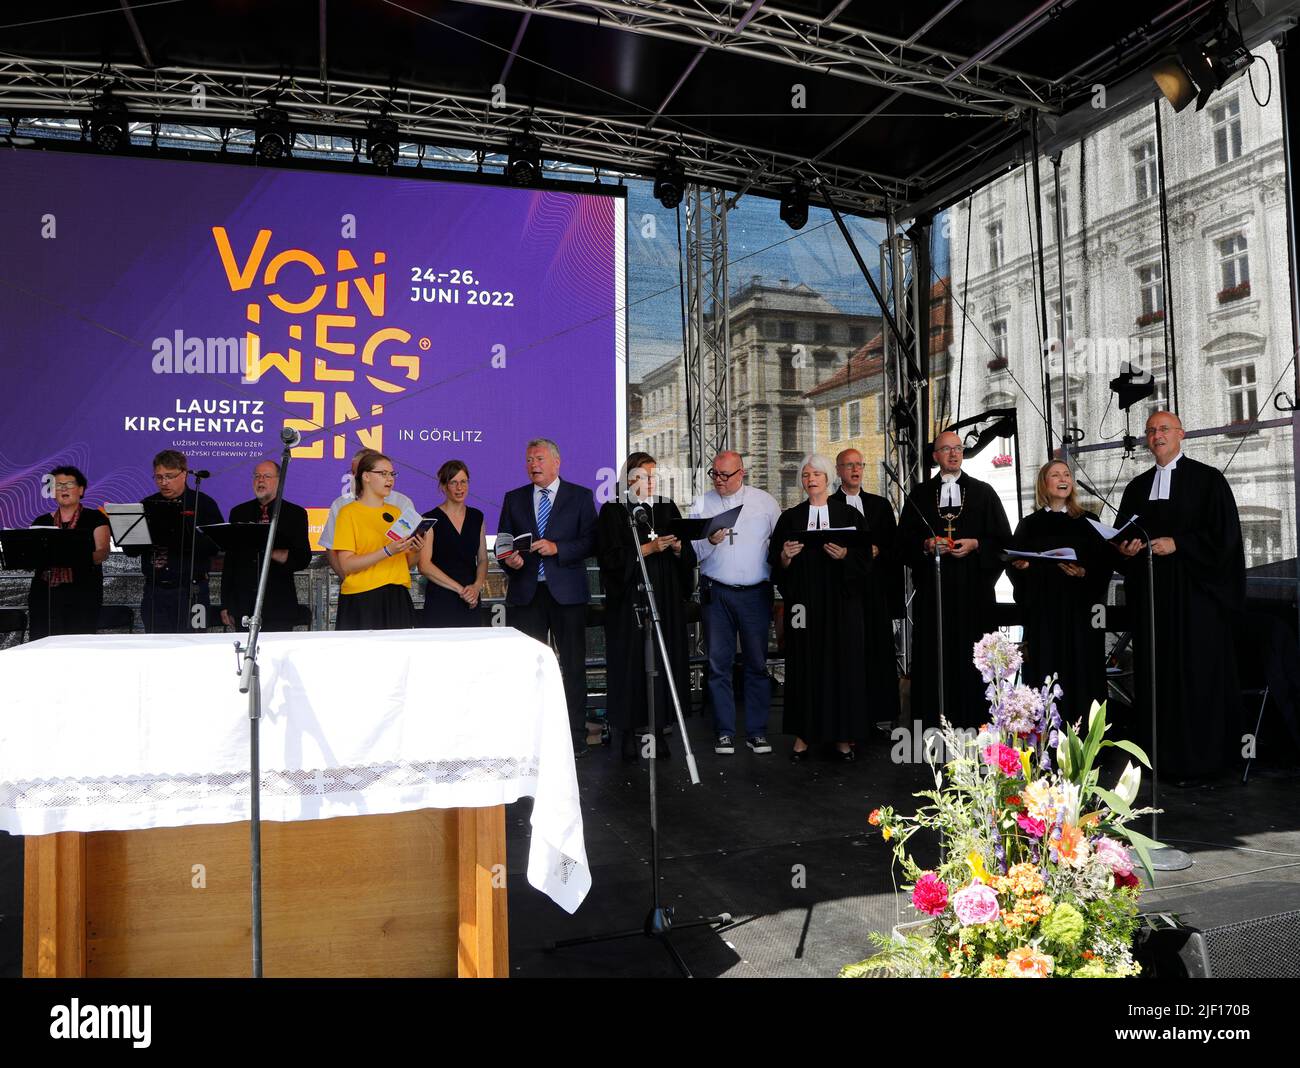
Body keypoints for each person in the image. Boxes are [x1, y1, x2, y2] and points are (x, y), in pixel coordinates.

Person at [1115, 410, 1245, 782]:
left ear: (1181, 434)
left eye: (1164, 429)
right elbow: (1123, 536)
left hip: (1196, 603)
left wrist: (1180, 544)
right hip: (1154, 603)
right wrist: (1125, 549)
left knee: (1196, 675)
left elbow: (1226, 541)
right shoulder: (1136, 487)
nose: (1157, 435)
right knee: (1157, 677)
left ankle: (1203, 762)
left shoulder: (1208, 481)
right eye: (1151, 430)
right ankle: (1158, 759)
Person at [897, 431, 1011, 727]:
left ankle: (980, 724)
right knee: (935, 657)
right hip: (934, 596)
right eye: (946, 449)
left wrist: (977, 545)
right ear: (935, 456)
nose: (953, 454)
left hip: (975, 595)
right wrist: (925, 545)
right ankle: (934, 725)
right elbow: (902, 541)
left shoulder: (984, 492)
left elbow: (1004, 543)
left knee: (975, 659)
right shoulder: (920, 495)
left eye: (958, 448)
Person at [497, 438, 598, 757]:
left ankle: (575, 738)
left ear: (557, 462)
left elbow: (592, 542)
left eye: (539, 459)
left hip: (567, 595)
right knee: (529, 669)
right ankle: (530, 739)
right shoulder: (514, 499)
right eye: (528, 460)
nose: (533, 465)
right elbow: (503, 544)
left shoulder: (580, 496)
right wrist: (509, 560)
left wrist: (559, 549)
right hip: (528, 595)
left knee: (573, 666)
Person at [769, 455, 871, 761]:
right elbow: (776, 562)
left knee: (842, 666)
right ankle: (803, 735)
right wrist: (786, 556)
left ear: (828, 478)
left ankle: (842, 736)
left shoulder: (849, 515)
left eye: (816, 474)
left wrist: (844, 557)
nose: (810, 479)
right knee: (804, 665)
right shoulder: (790, 518)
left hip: (841, 605)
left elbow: (865, 561)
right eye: (806, 475)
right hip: (803, 606)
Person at [596, 452, 696, 761]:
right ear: (629, 480)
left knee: (663, 665)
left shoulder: (666, 507)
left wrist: (679, 548)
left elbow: (686, 553)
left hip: (663, 597)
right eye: (644, 476)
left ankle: (659, 730)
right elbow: (609, 560)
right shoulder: (614, 512)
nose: (651, 482)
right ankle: (627, 732)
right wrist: (648, 549)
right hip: (629, 602)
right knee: (631, 665)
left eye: (654, 476)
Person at [689, 450, 782, 755]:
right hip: (717, 592)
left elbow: (778, 546)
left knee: (757, 663)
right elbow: (692, 554)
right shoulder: (702, 504)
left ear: (742, 473)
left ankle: (757, 731)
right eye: (714, 474)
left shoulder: (765, 503)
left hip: (755, 593)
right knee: (719, 665)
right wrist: (709, 541)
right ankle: (725, 732)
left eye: (725, 475)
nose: (719, 480)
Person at [1007, 460, 1112, 722]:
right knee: (1045, 675)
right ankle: (1047, 744)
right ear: (1045, 483)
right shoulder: (1029, 524)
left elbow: (1104, 564)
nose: (1063, 478)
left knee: (1082, 673)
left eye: (1067, 474)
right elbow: (1014, 566)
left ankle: (1086, 744)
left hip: (1080, 615)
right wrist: (1022, 566)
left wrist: (1083, 572)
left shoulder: (1089, 521)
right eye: (1055, 475)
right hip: (1045, 615)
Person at [830, 447, 901, 729]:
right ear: (838, 471)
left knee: (879, 651)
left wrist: (878, 550)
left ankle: (881, 715)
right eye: (849, 465)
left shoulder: (880, 505)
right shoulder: (830, 505)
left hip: (875, 589)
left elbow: (894, 546)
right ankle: (849, 717)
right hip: (845, 590)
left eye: (859, 464)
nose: (855, 470)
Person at [125, 450, 224, 633]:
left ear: (184, 473)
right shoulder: (146, 505)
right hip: (155, 592)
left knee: (195, 644)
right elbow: (131, 551)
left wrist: (181, 531)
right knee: (156, 647)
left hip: (193, 591)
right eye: (159, 477)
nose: (164, 482)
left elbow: (216, 546)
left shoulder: (203, 504)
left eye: (169, 476)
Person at [332, 451, 424, 629]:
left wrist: (416, 550)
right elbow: (347, 565)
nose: (389, 479)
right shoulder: (348, 513)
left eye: (392, 474)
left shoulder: (396, 512)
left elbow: (407, 563)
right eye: (383, 474)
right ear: (366, 476)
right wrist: (387, 551)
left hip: (397, 596)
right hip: (363, 598)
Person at [219, 459, 312, 632]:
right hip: (243, 604)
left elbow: (303, 557)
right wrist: (226, 604)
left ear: (279, 480)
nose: (260, 480)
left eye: (267, 476)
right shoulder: (239, 512)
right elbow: (230, 561)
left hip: (278, 604)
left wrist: (273, 552)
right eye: (257, 476)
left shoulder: (295, 514)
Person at [27, 465, 110, 639]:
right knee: (42, 644)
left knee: (78, 645)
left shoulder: (95, 517)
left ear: (81, 490)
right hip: (45, 594)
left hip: (82, 593)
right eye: (58, 485)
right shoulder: (41, 521)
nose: (63, 489)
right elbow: (32, 556)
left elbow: (102, 552)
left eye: (69, 484)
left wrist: (75, 559)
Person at [320, 445, 416, 579]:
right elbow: (331, 548)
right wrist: (347, 579)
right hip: (357, 588)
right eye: (354, 472)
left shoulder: (401, 504)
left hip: (394, 586)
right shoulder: (342, 506)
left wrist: (418, 549)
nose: (357, 476)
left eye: (390, 474)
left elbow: (407, 554)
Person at [417, 459, 488, 628]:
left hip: (471, 600)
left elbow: (483, 559)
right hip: (441, 599)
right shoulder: (429, 518)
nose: (459, 487)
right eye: (453, 482)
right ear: (443, 486)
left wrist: (476, 588)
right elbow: (424, 566)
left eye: (463, 482)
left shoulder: (477, 516)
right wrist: (460, 590)